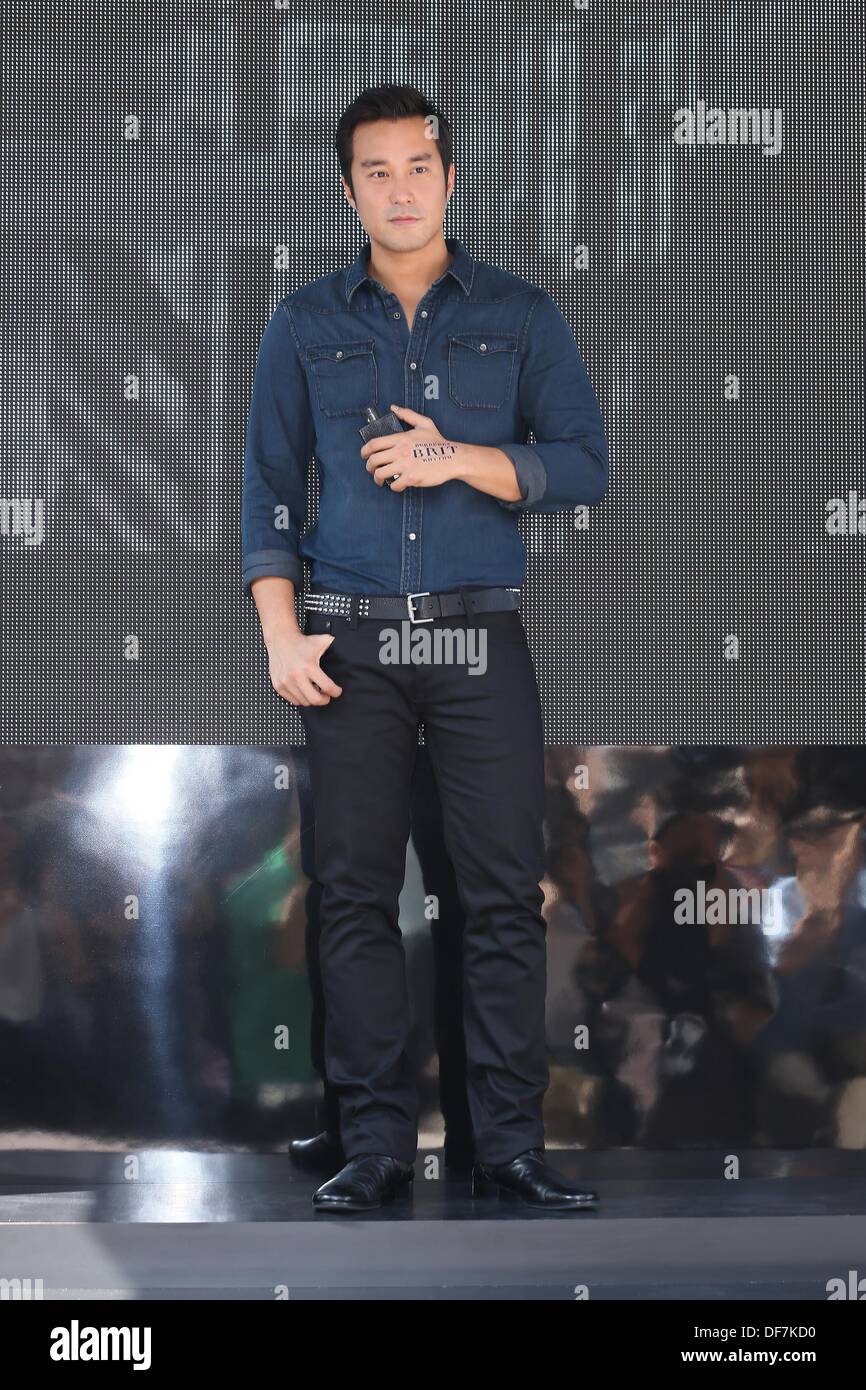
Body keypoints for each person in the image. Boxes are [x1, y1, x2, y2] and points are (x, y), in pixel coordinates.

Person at [242, 84, 609, 1212]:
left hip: (478, 633)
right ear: (347, 188)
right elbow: (266, 496)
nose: (399, 189)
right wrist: (278, 637)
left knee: (502, 897)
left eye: (418, 168)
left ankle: (505, 1146)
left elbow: (581, 465)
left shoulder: (519, 311)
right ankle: (374, 1143)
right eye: (375, 171)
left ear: (449, 179)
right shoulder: (304, 321)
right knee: (350, 896)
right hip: (346, 644)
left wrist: (459, 458)